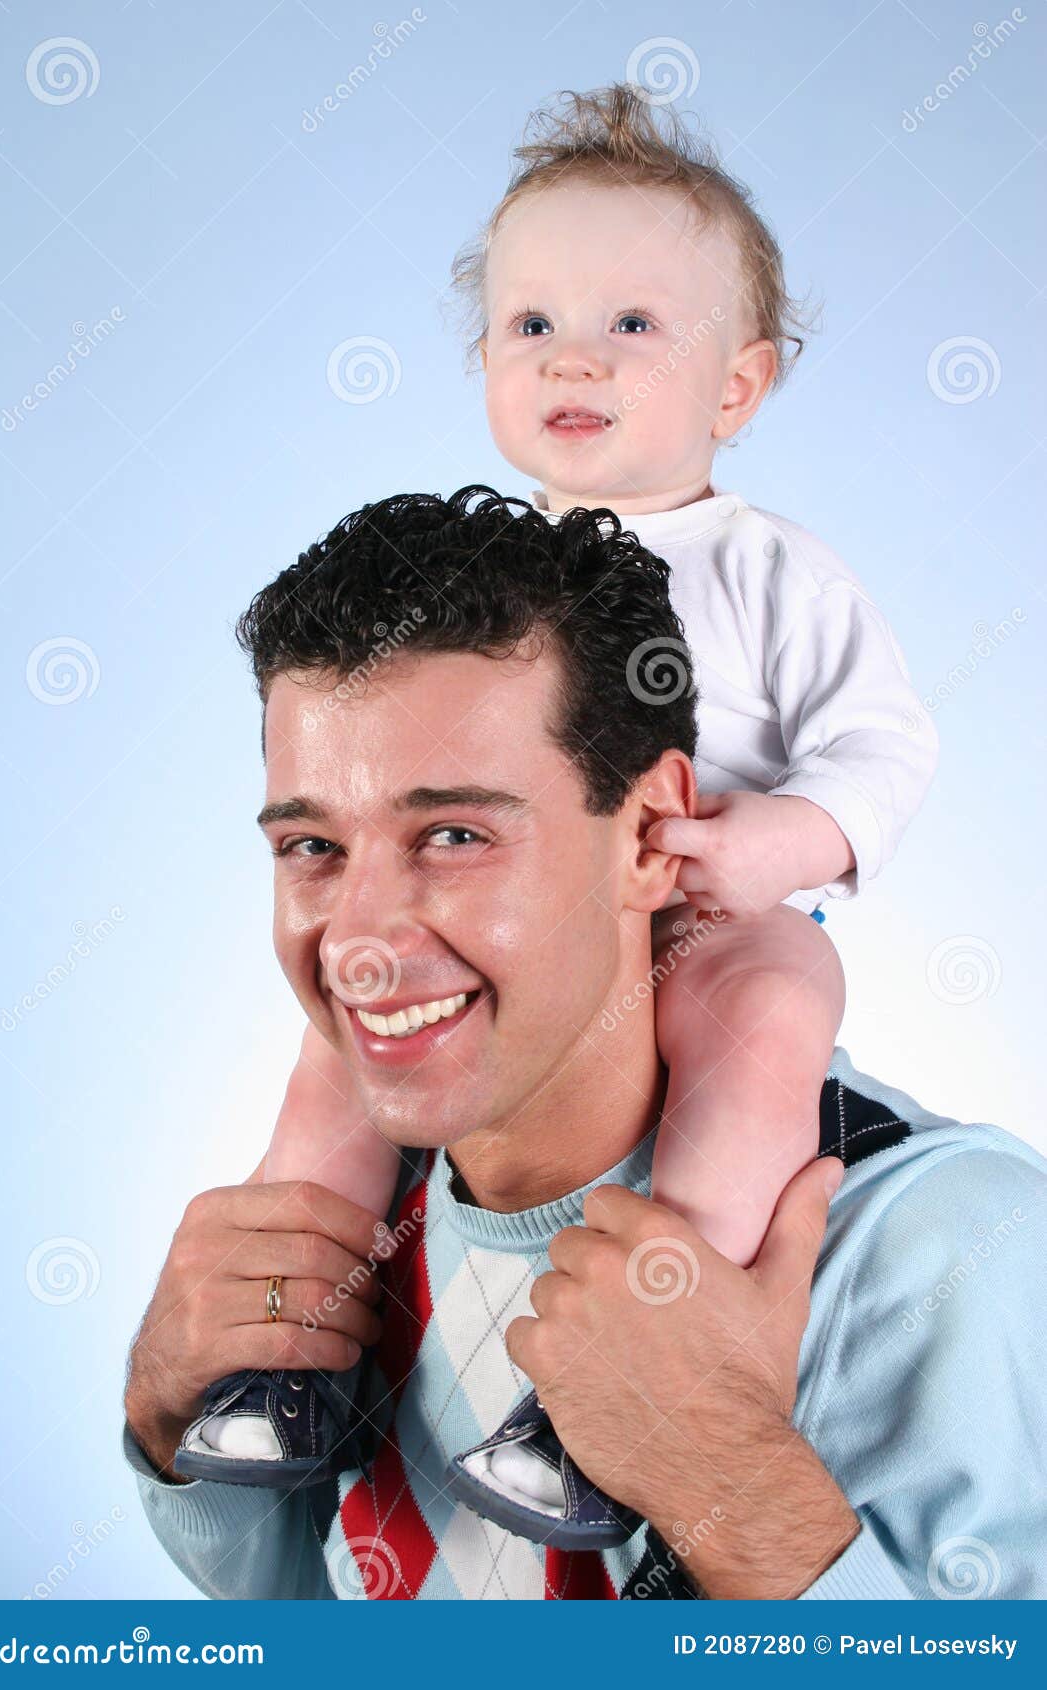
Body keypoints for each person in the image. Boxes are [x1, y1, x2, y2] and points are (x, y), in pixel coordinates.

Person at [170, 87, 939, 1538]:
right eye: (530, 326)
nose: (572, 351)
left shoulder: (772, 571)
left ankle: (605, 1398)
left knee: (768, 1026)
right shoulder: (477, 580)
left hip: (714, 925)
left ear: (737, 388)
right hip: (526, 943)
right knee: (337, 1053)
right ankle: (280, 1358)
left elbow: (882, 748)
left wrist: (767, 843)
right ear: (480, 365)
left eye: (633, 325)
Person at [124, 487, 1046, 1599]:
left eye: (454, 835)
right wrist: (170, 1420)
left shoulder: (963, 1246)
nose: (359, 943)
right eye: (313, 843)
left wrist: (733, 1486)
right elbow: (292, 1620)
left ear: (652, 836)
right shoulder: (354, 1227)